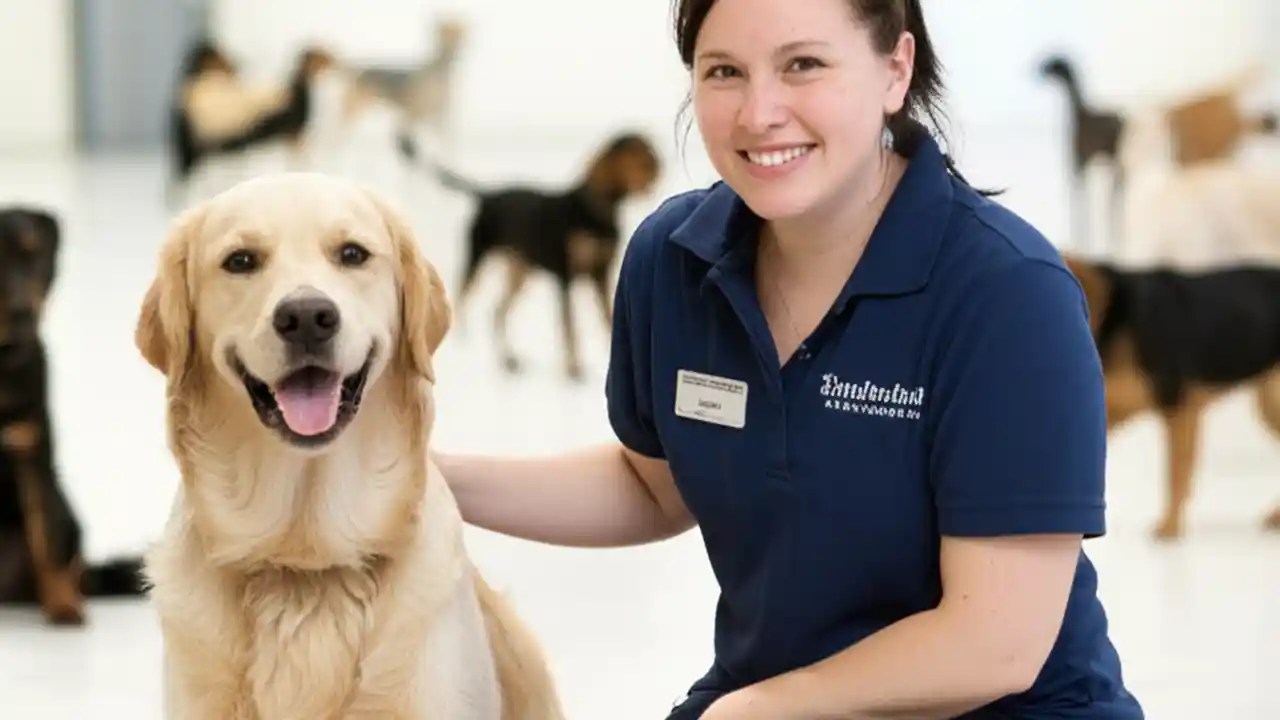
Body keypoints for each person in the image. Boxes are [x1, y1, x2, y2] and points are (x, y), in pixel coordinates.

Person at [434, 0, 1146, 717]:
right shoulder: (673, 259)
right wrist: (424, 481)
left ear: (895, 70)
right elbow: (652, 485)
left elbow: (995, 643)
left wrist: (766, 706)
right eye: (724, 72)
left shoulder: (1008, 294)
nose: (758, 112)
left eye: (803, 64)